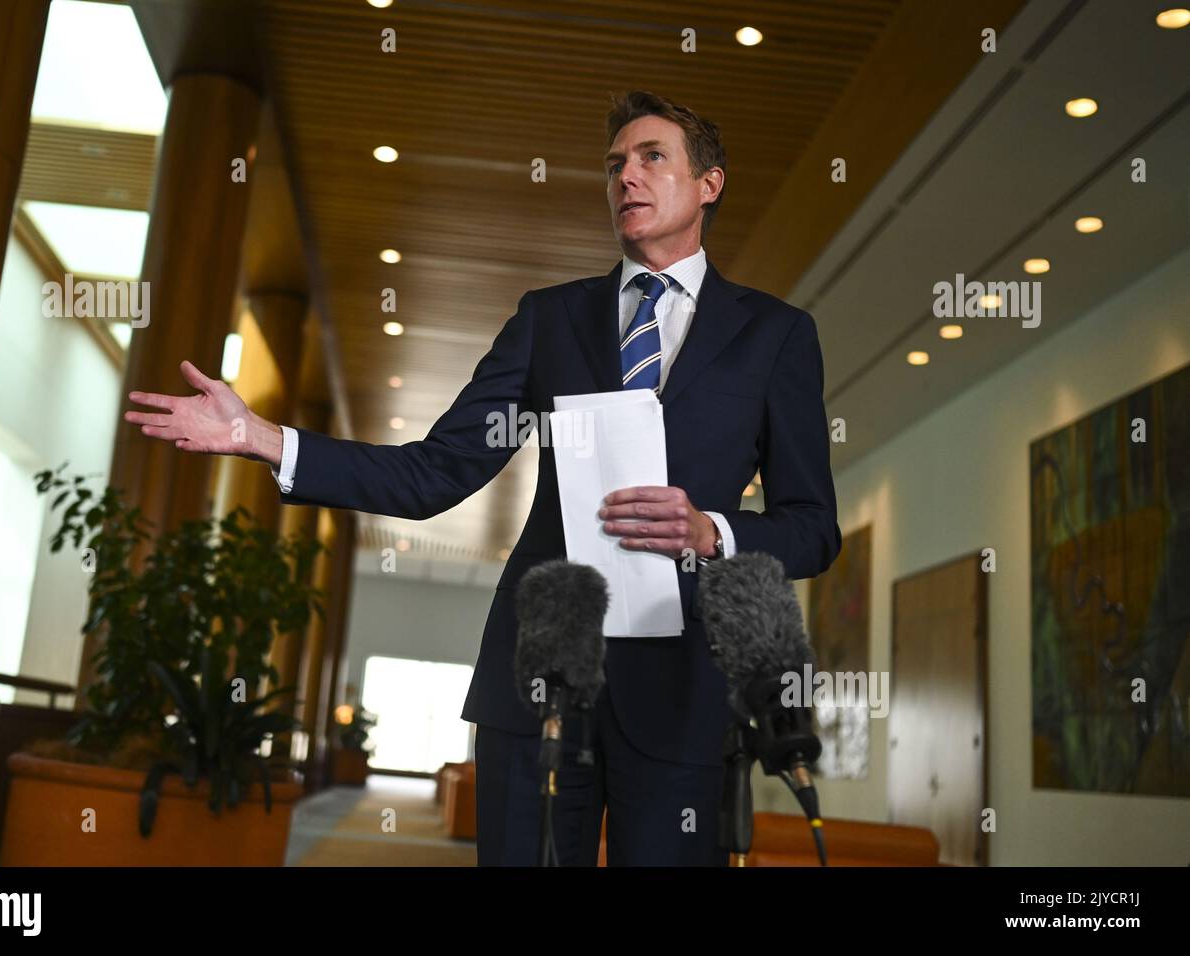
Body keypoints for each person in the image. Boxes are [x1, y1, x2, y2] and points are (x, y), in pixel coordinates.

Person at [124, 90, 841, 866]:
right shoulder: (549, 320)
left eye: (650, 157)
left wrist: (713, 531)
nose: (625, 177)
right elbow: (434, 473)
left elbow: (811, 526)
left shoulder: (774, 336)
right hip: (538, 684)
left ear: (710, 183)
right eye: (614, 166)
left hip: (681, 691)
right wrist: (267, 439)